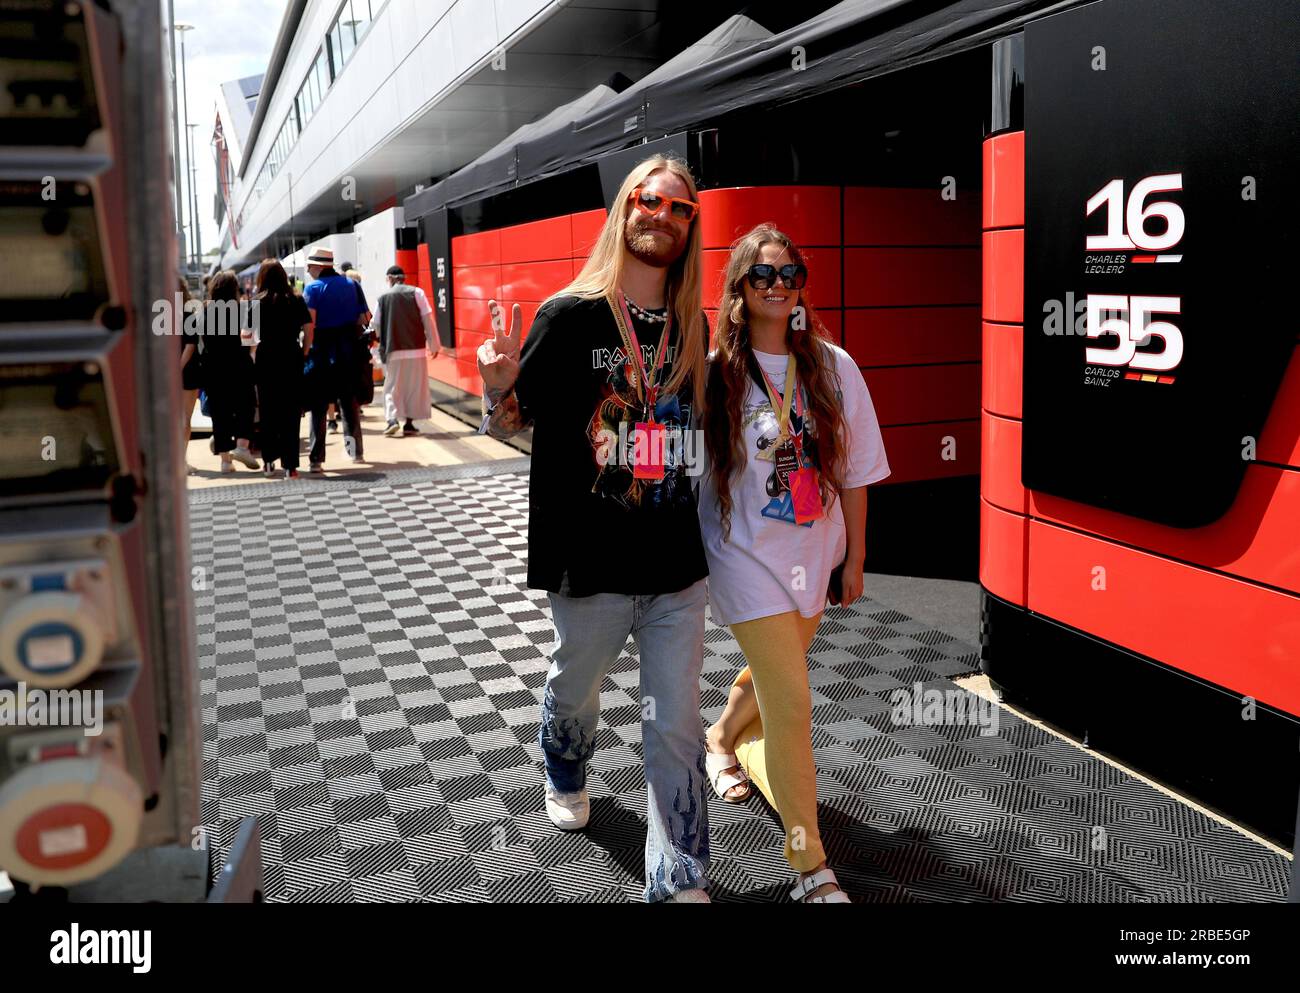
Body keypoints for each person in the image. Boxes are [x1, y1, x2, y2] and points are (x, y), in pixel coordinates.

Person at [478, 155, 713, 903]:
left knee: (675, 727)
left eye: (681, 208)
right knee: (576, 688)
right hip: (590, 559)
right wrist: (497, 391)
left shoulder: (691, 323)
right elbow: (514, 423)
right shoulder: (570, 314)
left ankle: (678, 877)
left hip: (676, 563)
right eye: (652, 200)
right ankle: (565, 763)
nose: (664, 216)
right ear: (625, 209)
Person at [698, 224, 891, 903]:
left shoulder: (835, 366)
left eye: (790, 274)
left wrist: (856, 556)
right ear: (739, 289)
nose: (779, 286)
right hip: (743, 553)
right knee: (794, 700)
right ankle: (810, 866)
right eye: (763, 275)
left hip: (816, 550)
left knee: (779, 681)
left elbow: (857, 468)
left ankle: (721, 737)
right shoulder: (719, 369)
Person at [302, 247, 366, 470]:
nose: (308, 270)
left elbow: (310, 325)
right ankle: (355, 452)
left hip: (322, 352)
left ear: (319, 266)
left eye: (309, 266)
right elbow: (363, 317)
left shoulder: (313, 289)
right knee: (349, 404)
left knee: (318, 407)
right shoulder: (352, 284)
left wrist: (305, 351)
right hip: (348, 351)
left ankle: (317, 460)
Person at [252, 259, 312, 478]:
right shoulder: (296, 299)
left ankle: (268, 463)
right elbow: (308, 328)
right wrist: (304, 351)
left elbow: (247, 336)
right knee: (290, 411)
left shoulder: (256, 302)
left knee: (268, 411)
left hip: (266, 357)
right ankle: (291, 466)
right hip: (291, 356)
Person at [202, 269, 260, 473]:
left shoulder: (206, 310)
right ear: (234, 288)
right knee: (246, 406)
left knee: (220, 414)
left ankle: (225, 462)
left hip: (214, 368)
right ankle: (242, 447)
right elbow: (250, 340)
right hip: (239, 364)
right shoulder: (244, 309)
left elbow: (204, 342)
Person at [370, 264, 438, 436]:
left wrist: (381, 338)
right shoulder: (417, 293)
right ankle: (409, 423)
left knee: (392, 386)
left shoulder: (383, 298)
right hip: (416, 349)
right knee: (414, 386)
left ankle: (392, 419)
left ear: (391, 279)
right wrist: (434, 344)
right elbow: (427, 320)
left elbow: (375, 324)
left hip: (393, 349)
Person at [178, 277, 202, 474]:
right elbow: (190, 346)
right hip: (187, 371)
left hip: (164, 372)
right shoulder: (188, 315)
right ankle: (181, 461)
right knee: (185, 418)